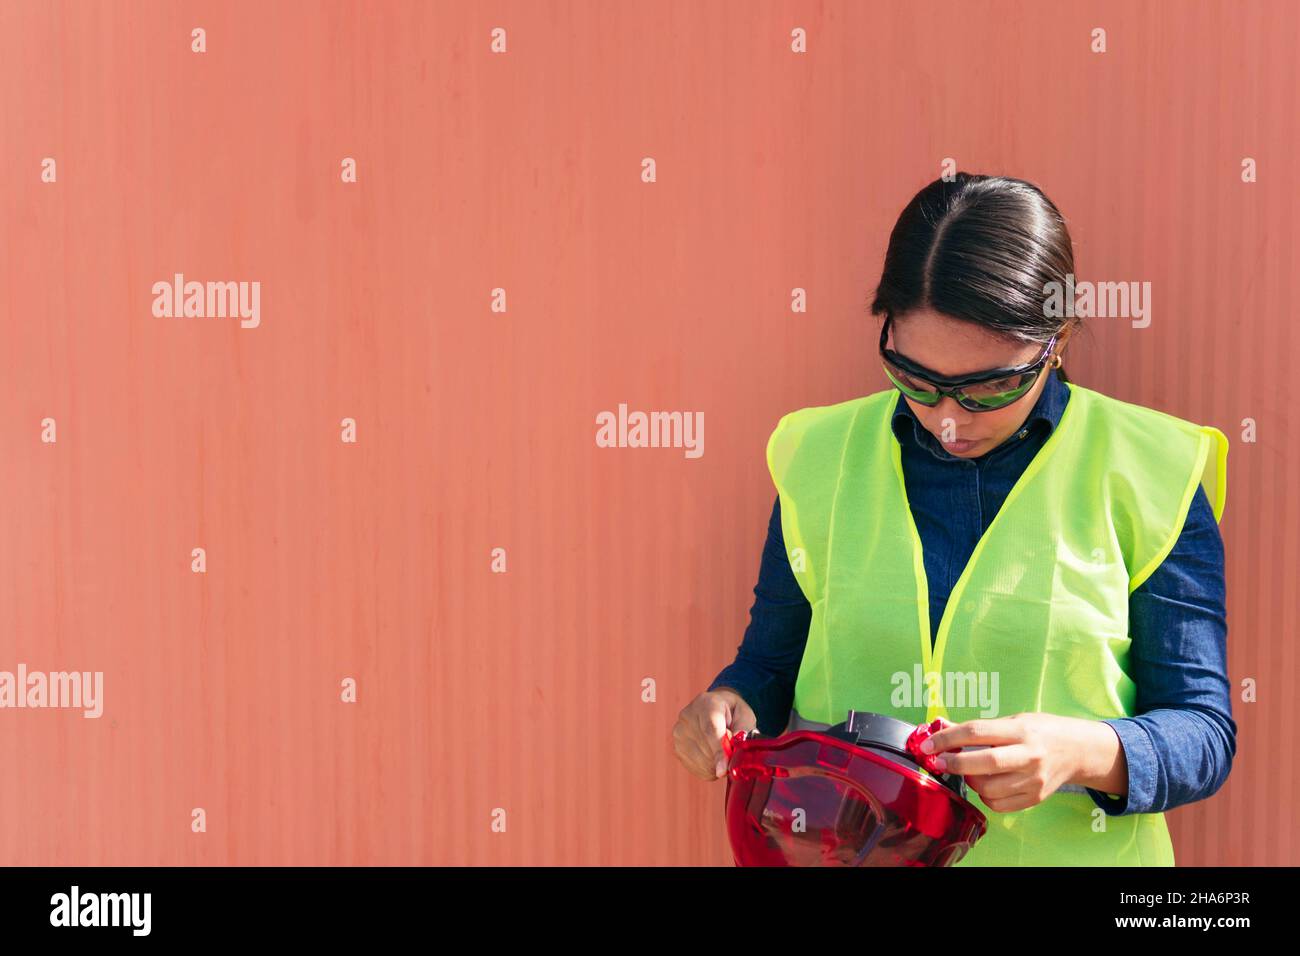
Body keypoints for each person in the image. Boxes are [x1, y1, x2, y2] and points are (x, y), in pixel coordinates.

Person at [672, 174, 1236, 866]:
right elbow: (768, 664)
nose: (947, 419)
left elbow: (1203, 732)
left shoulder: (1152, 469)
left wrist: (1084, 752)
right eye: (914, 378)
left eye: (991, 387)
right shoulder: (817, 458)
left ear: (1055, 341)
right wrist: (726, 704)